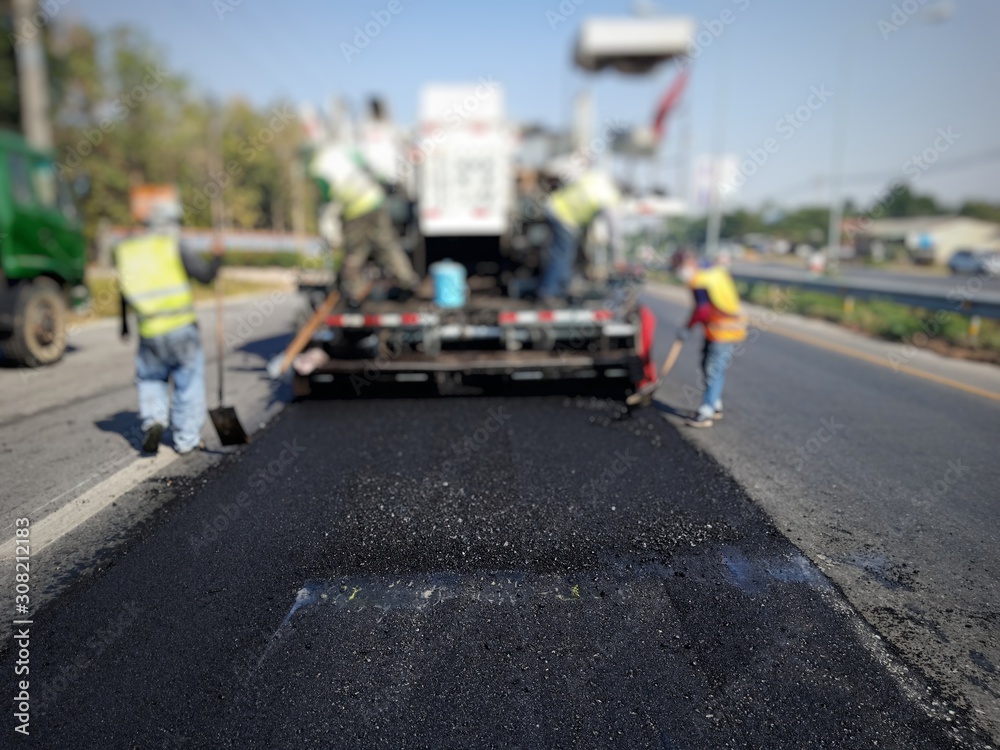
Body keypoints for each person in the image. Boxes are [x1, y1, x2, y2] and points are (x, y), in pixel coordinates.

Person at [115, 206, 223, 454]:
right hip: (181, 328)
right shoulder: (174, 245)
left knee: (150, 377)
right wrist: (218, 256)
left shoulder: (130, 250)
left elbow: (123, 291)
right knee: (188, 381)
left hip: (149, 331)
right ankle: (186, 439)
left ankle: (154, 419)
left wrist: (124, 326)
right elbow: (205, 276)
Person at [309, 143, 418, 305]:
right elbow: (367, 166)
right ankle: (407, 280)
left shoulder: (317, 169)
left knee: (355, 252)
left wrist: (330, 230)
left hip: (356, 210)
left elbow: (328, 200)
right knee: (386, 245)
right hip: (375, 200)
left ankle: (355, 292)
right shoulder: (340, 154)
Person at [672, 251, 748, 428]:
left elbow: (702, 310)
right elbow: (701, 308)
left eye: (677, 267)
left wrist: (688, 327)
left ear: (688, 263)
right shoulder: (712, 273)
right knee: (709, 364)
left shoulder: (701, 281)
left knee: (713, 368)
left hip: (724, 329)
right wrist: (688, 325)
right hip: (720, 327)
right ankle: (715, 405)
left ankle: (706, 411)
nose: (677, 272)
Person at [537, 163, 622, 303]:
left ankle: (560, 288)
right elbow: (614, 231)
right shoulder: (610, 199)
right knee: (563, 255)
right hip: (565, 218)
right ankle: (550, 291)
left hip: (553, 205)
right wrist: (617, 256)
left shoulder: (597, 178)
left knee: (563, 253)